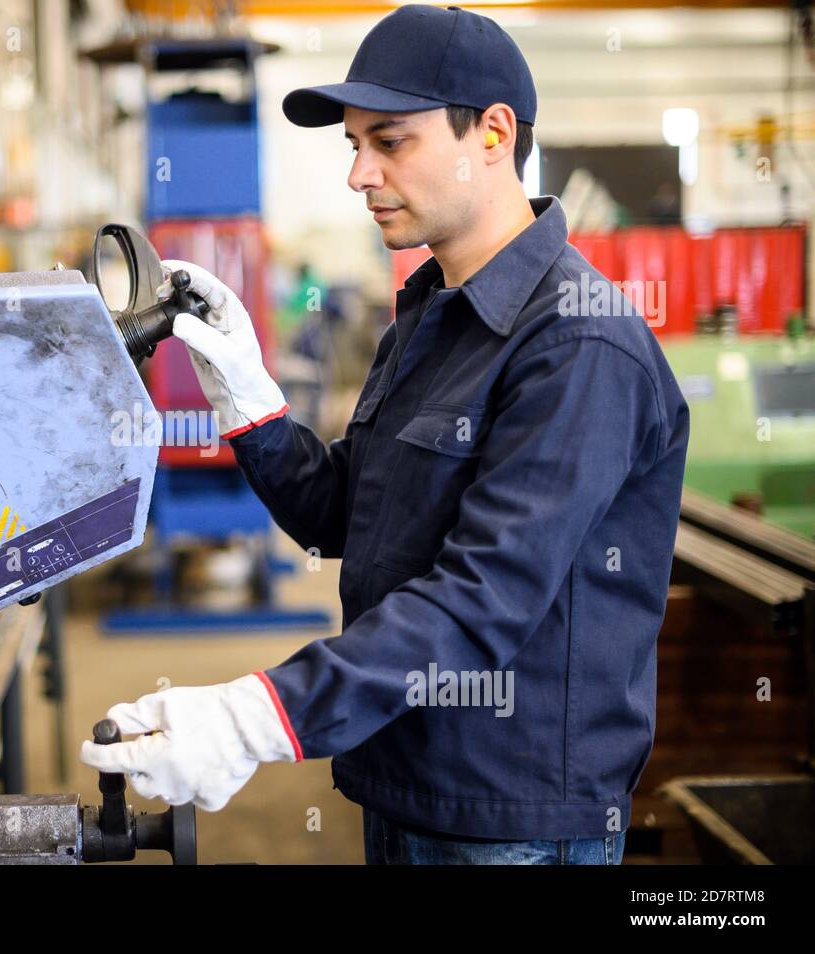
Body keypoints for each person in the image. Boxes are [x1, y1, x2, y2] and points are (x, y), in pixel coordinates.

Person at [80, 4, 690, 865]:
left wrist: (261, 714)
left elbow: (483, 599)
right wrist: (249, 402)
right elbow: (346, 517)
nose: (359, 174)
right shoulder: (430, 319)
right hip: (400, 774)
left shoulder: (578, 345)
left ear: (492, 133)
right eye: (353, 145)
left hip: (506, 822)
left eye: (390, 142)